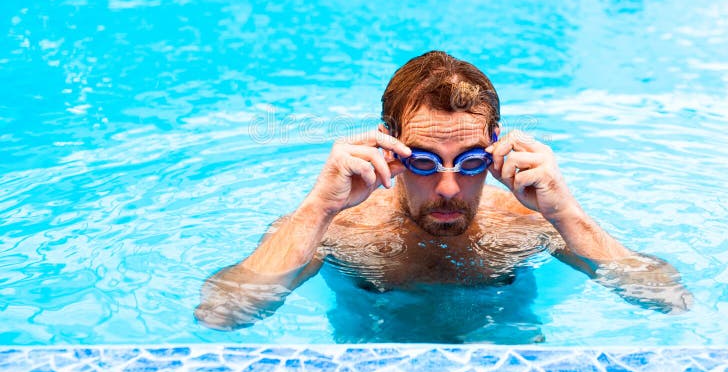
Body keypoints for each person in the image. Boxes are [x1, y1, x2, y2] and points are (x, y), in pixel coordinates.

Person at [195, 51, 692, 332]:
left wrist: (567, 214)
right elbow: (222, 313)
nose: (449, 187)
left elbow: (668, 299)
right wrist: (318, 206)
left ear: (497, 148)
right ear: (388, 145)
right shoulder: (339, 228)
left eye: (472, 162)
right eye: (424, 162)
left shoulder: (527, 220)